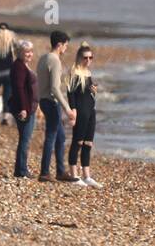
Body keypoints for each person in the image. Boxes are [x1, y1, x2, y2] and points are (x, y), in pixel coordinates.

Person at [36, 30, 77, 183]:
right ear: (59, 45)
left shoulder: (43, 58)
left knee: (60, 137)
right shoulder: (55, 60)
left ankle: (61, 171)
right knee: (51, 136)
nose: (66, 49)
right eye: (65, 46)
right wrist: (67, 108)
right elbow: (54, 88)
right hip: (51, 102)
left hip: (43, 100)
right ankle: (44, 172)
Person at [66, 41, 101, 187]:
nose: (88, 61)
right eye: (85, 58)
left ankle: (87, 176)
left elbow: (87, 92)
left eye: (90, 58)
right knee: (77, 142)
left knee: (88, 143)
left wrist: (94, 91)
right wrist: (72, 110)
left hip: (90, 110)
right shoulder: (74, 72)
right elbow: (70, 94)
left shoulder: (88, 73)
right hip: (80, 110)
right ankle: (74, 175)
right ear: (79, 57)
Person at [8, 39, 38, 178]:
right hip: (24, 108)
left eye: (31, 51)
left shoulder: (23, 65)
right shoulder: (19, 67)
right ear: (19, 53)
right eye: (27, 52)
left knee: (25, 139)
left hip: (29, 107)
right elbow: (19, 88)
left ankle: (21, 169)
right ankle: (21, 170)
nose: (29, 54)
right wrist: (24, 109)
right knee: (25, 140)